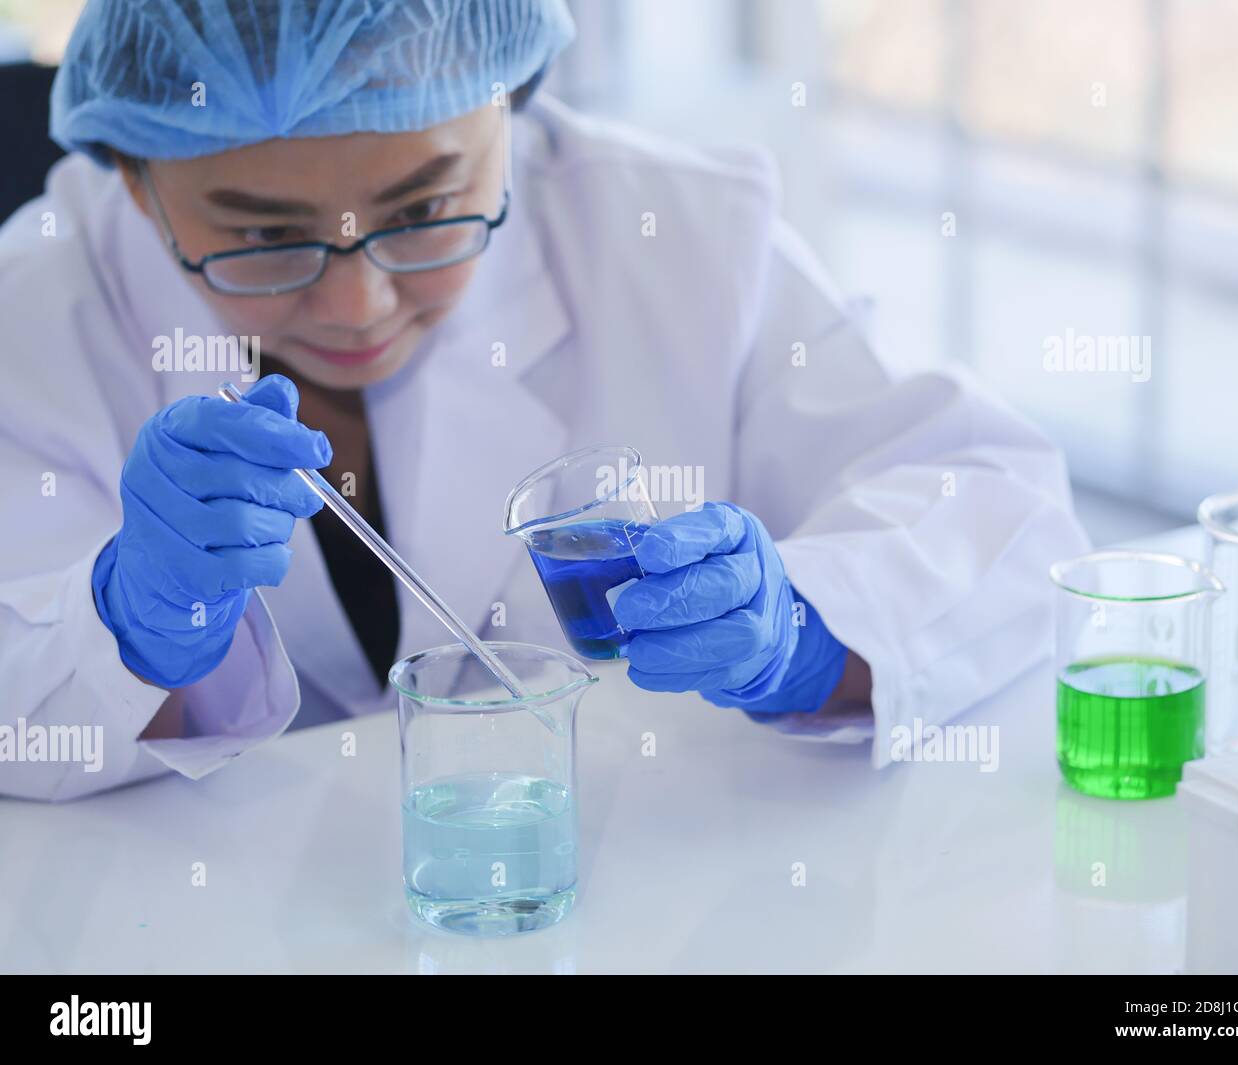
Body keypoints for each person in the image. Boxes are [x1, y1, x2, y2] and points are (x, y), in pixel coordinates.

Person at [0, 0, 1089, 802]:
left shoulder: (677, 233)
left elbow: (1001, 508)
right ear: (133, 180)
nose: (356, 301)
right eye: (262, 235)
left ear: (513, 113)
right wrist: (124, 629)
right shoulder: (38, 303)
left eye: (426, 205)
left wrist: (809, 629)